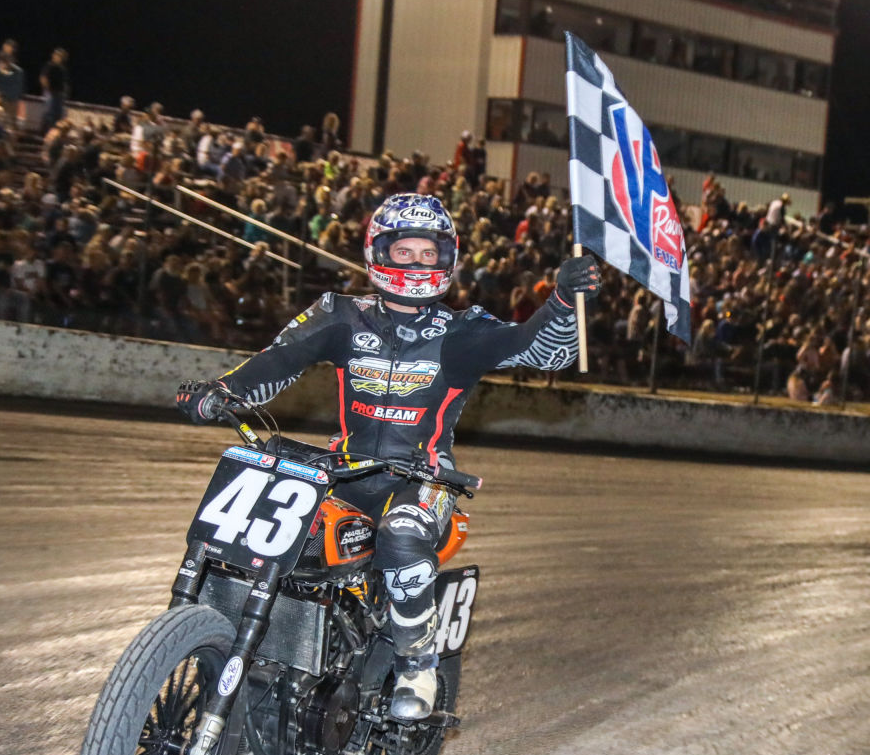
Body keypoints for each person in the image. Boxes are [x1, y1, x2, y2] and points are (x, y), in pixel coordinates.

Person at [176, 193, 600, 721]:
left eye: (429, 253)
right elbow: (278, 360)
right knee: (264, 525)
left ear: (447, 259)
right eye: (405, 252)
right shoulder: (340, 314)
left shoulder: (462, 330)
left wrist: (561, 301)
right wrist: (222, 392)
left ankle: (417, 661)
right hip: (343, 470)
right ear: (379, 252)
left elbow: (541, 350)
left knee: (400, 533)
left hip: (423, 479)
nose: (417, 264)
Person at [38, 47, 69, 132]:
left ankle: (54, 132)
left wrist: (65, 93)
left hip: (60, 94)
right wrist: (48, 89)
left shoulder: (62, 69)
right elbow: (43, 78)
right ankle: (45, 131)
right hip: (51, 93)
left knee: (58, 115)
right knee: (49, 113)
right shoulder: (49, 66)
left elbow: (64, 82)